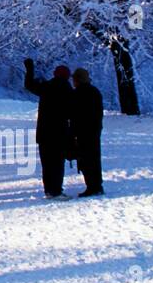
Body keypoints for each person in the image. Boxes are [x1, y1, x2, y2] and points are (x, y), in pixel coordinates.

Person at [24, 59, 73, 199]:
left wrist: (29, 70)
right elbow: (71, 112)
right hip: (60, 132)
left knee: (47, 163)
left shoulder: (47, 86)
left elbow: (28, 85)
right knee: (58, 163)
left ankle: (49, 190)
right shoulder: (67, 89)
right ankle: (56, 190)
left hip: (44, 133)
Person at [70, 68, 105, 197]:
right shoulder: (95, 91)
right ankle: (96, 184)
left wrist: (72, 131)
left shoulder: (78, 93)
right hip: (94, 129)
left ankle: (92, 186)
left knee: (85, 159)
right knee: (94, 158)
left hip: (83, 131)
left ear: (78, 80)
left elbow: (74, 114)